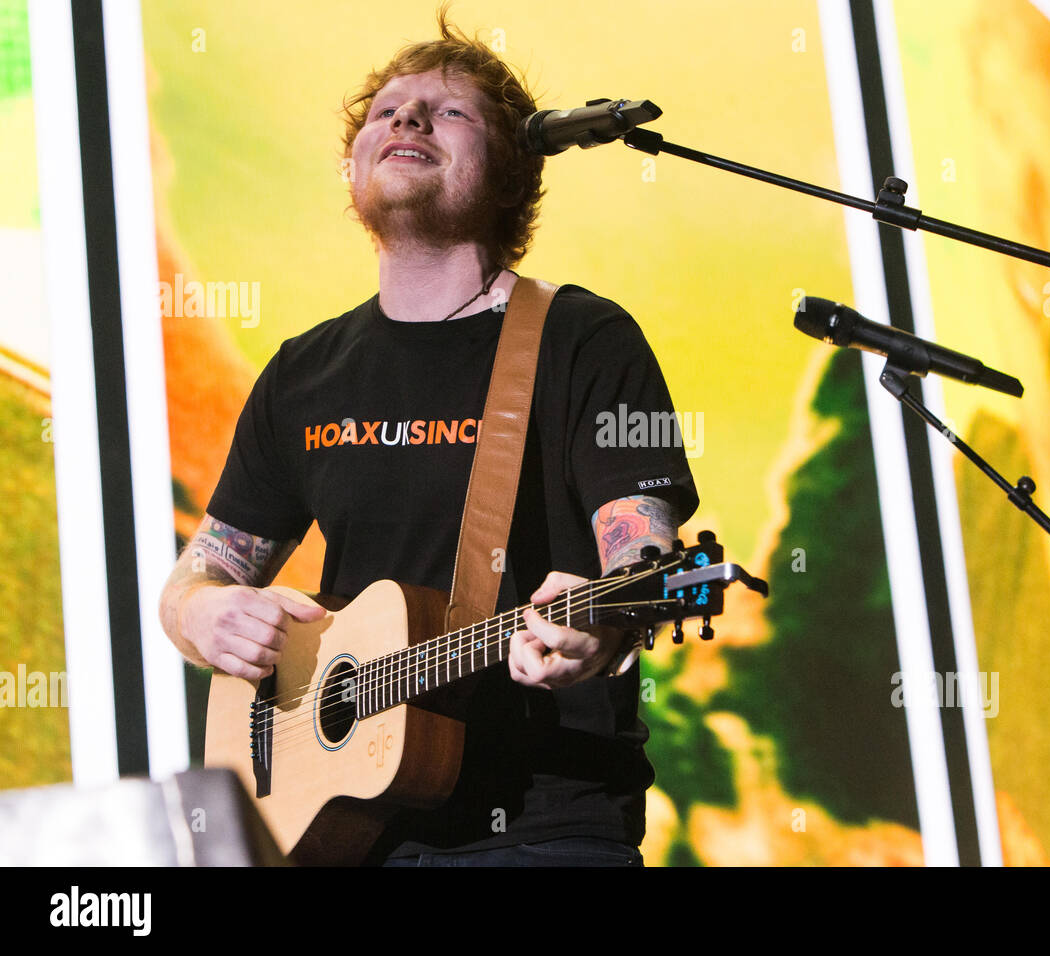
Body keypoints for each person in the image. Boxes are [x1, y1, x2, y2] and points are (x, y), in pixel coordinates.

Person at [157, 14, 698, 866]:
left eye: (449, 113)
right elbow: (202, 572)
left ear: (511, 172)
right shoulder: (303, 372)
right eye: (386, 110)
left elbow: (642, 554)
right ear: (355, 163)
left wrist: (612, 623)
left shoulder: (583, 339)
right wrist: (201, 612)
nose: (406, 120)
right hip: (343, 831)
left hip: (542, 825)